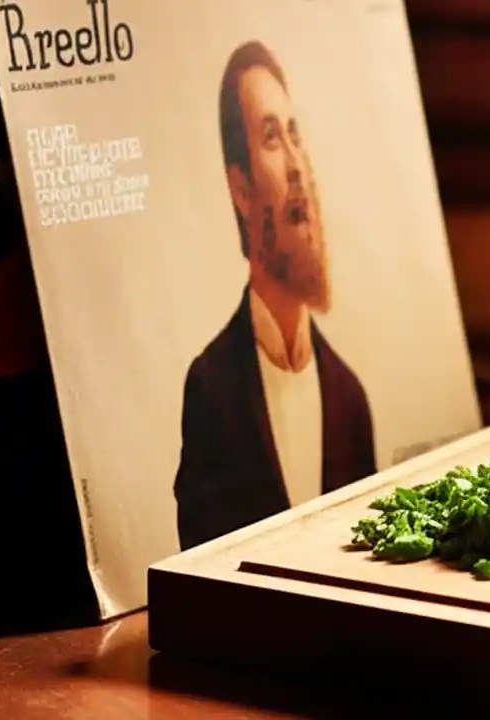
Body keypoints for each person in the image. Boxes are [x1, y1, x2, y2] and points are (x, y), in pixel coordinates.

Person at [173, 40, 377, 550]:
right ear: (240, 189)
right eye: (270, 137)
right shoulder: (211, 388)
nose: (295, 164)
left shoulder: (349, 396)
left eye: (294, 135)